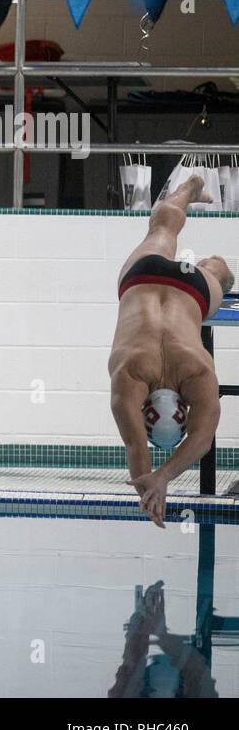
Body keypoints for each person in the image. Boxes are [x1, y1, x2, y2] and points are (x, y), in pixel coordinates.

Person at [109, 174, 235, 527]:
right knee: (162, 228)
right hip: (144, 277)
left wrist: (163, 478)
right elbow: (136, 448)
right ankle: (186, 191)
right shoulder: (130, 377)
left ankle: (216, 266)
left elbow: (202, 438)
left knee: (222, 276)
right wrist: (154, 479)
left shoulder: (198, 372)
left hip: (190, 288)